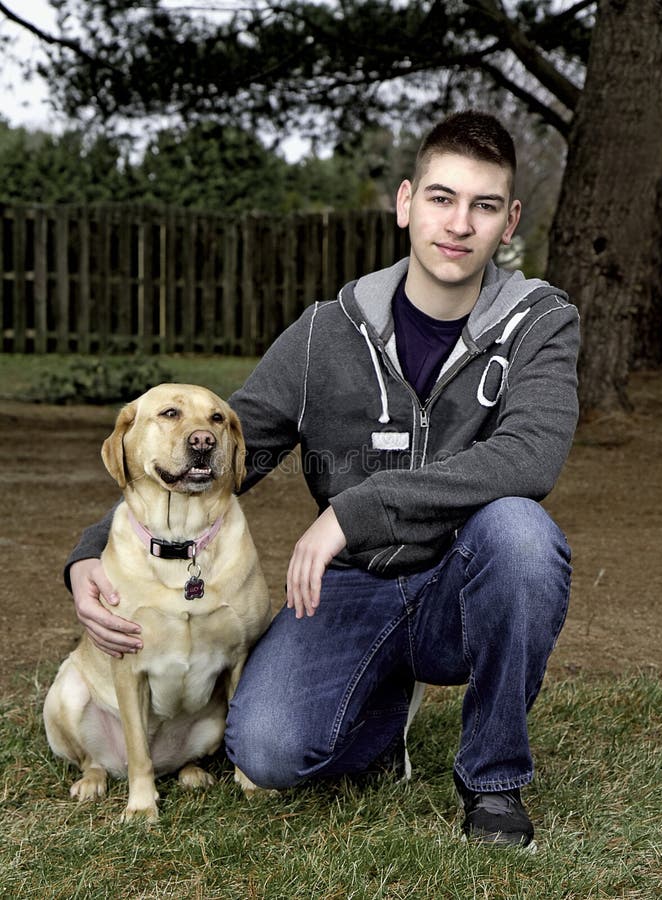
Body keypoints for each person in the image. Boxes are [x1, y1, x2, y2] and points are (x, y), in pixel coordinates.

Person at [66, 110, 579, 848]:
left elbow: (530, 456)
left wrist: (354, 509)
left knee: (523, 534)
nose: (459, 223)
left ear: (509, 220)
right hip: (352, 586)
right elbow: (224, 449)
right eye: (441, 198)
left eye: (484, 205)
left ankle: (493, 783)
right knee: (267, 751)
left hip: (464, 581)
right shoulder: (325, 332)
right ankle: (380, 716)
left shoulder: (540, 321)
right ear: (406, 203)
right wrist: (90, 553)